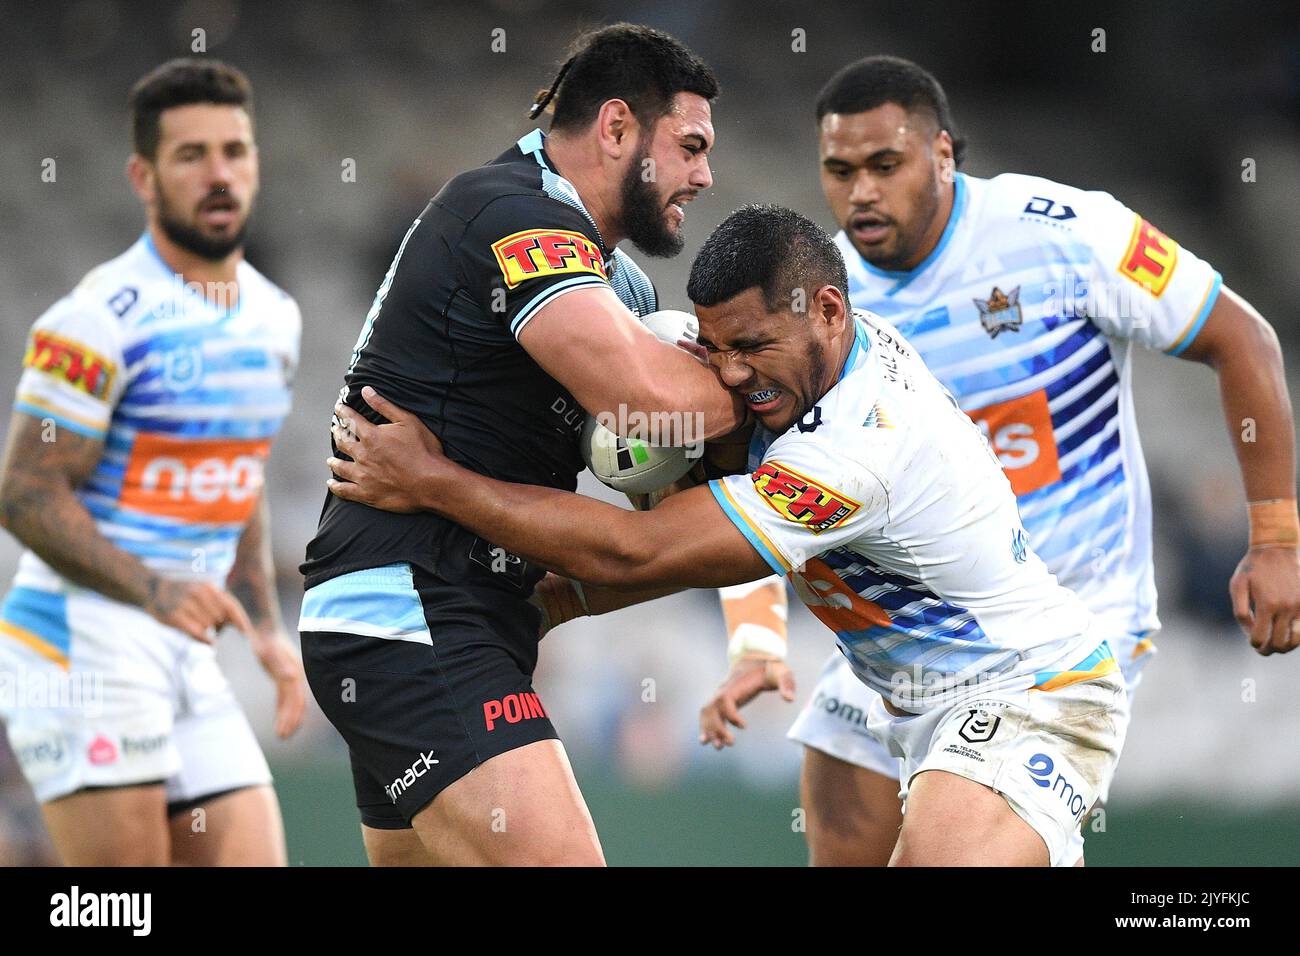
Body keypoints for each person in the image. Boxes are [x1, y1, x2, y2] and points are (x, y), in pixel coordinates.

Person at [325, 204, 1137, 867]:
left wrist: (434, 482)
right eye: (718, 348)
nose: (734, 374)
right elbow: (706, 531)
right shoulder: (799, 363)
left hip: (1030, 691)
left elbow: (639, 549)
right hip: (894, 695)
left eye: (752, 347)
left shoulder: (865, 447)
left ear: (828, 310)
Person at [699, 56, 1300, 866]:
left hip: (1062, 632)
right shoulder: (813, 309)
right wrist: (755, 642)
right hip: (912, 635)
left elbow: (1243, 339)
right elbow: (753, 486)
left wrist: (1277, 538)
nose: (861, 192)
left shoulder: (1062, 233)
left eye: (887, 165)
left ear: (944, 154)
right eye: (839, 171)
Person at [297, 23, 746, 866]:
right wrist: (769, 386)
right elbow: (642, 402)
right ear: (616, 129)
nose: (704, 175)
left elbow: (661, 505)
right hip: (411, 611)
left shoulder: (625, 284)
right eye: (688, 146)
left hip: (467, 620)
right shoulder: (510, 212)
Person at [0, 58, 305, 866]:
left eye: (234, 151)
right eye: (190, 154)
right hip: (80, 640)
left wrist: (269, 630)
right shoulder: (97, 321)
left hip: (180, 650)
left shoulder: (275, 317)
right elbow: (23, 495)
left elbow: (240, 476)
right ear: (143, 175)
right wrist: (156, 589)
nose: (218, 174)